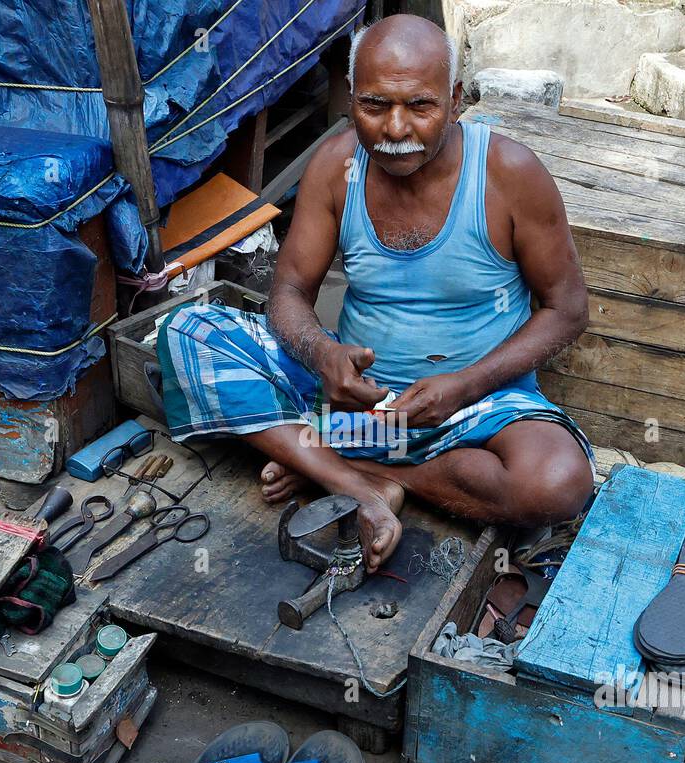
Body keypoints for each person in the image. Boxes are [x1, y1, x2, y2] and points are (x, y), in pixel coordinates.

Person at [159, 14, 594, 572]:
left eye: (420, 105)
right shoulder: (335, 168)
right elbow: (289, 291)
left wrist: (462, 386)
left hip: (477, 408)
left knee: (556, 484)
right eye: (374, 105)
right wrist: (323, 355)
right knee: (188, 330)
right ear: (348, 99)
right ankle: (357, 483)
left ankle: (336, 465)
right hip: (358, 405)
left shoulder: (508, 173)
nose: (395, 128)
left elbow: (567, 309)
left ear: (455, 99)